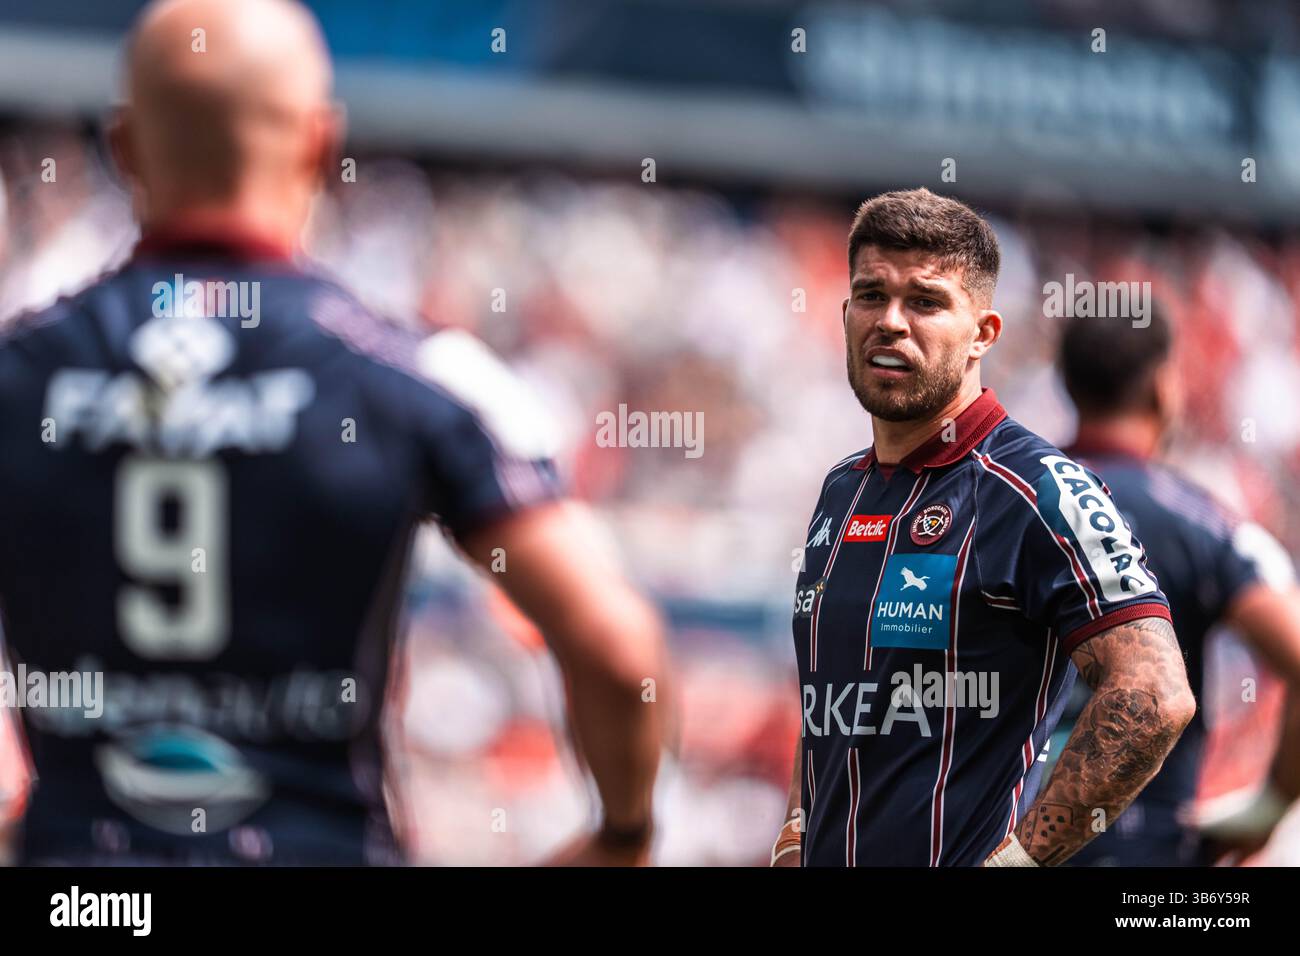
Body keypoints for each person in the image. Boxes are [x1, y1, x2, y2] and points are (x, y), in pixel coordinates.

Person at [0, 0, 666, 865]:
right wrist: (623, 833)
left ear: (124, 146)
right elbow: (615, 650)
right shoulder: (412, 377)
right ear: (321, 143)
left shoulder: (20, 374)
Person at [773, 188, 1194, 867]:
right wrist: (795, 831)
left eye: (926, 302)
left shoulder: (1036, 488)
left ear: (984, 333)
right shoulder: (841, 488)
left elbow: (1153, 694)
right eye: (871, 295)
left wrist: (1019, 864)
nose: (891, 321)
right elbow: (833, 698)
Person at [1056, 305, 1300, 866]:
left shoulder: (1001, 502)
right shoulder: (1203, 524)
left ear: (1068, 383)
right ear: (1163, 388)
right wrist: (1269, 806)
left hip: (1003, 846)